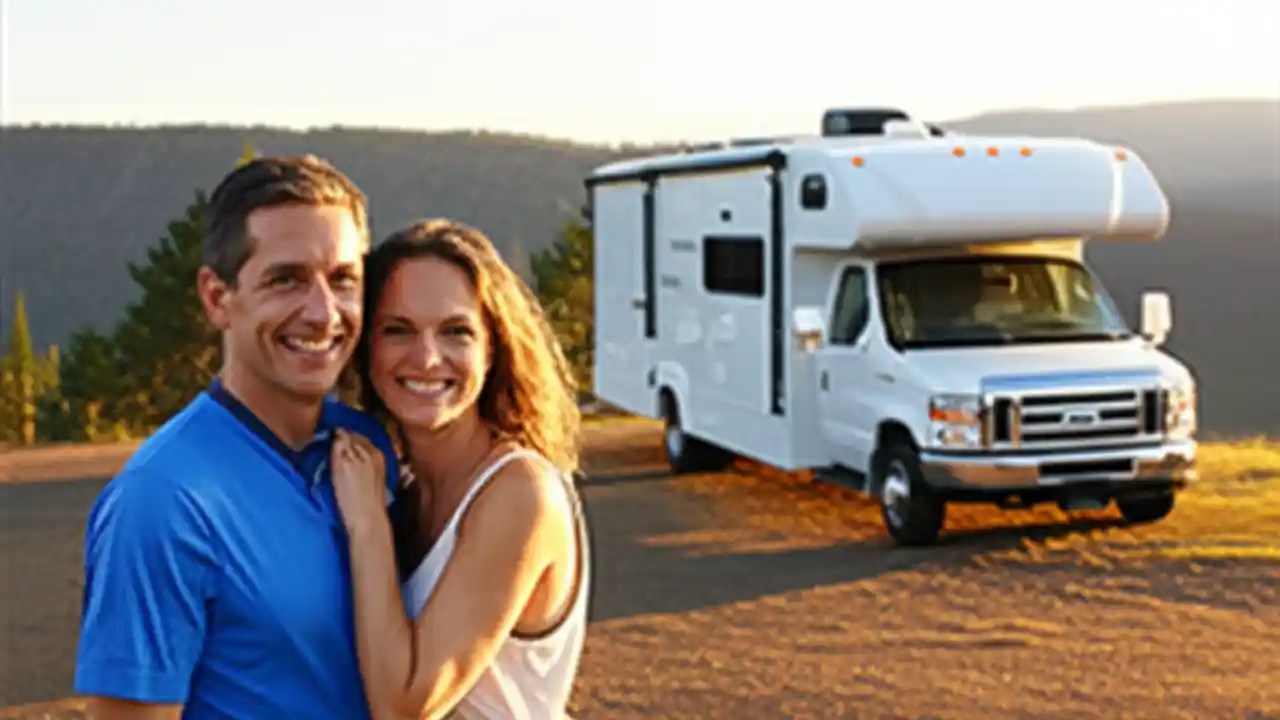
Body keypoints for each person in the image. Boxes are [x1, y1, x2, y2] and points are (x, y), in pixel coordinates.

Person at [73, 155, 399, 719]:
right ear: (217, 298)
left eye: (343, 279)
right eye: (286, 279)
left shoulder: (370, 450)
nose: (324, 313)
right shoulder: (162, 502)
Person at [329, 219, 590, 720]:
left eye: (456, 332)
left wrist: (367, 528)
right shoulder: (400, 483)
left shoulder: (520, 493)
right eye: (398, 330)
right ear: (367, 349)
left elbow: (405, 706)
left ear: (493, 348)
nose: (427, 358)